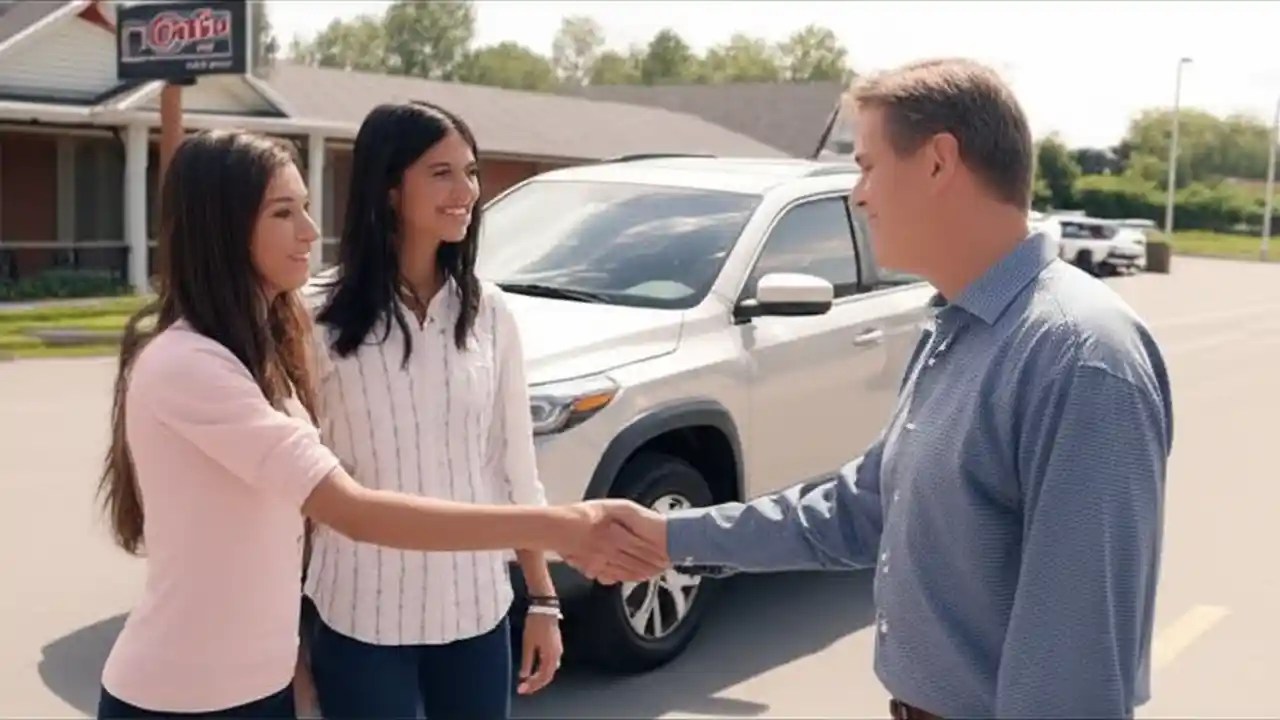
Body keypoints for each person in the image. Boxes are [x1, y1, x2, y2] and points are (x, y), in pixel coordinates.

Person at [573, 58, 1173, 719]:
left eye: (867, 164)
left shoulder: (1080, 357)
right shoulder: (958, 324)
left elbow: (1076, 663)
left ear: (939, 162)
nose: (858, 194)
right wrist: (670, 540)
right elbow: (860, 510)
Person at [94, 130, 658, 719]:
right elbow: (351, 511)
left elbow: (262, 549)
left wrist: (292, 667)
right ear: (222, 226)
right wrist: (569, 526)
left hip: (264, 689)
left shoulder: (259, 351)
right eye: (284, 213)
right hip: (178, 699)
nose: (310, 232)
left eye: (307, 208)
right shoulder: (191, 365)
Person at [297, 101, 557, 720]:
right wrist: (286, 638)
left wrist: (543, 601)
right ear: (389, 187)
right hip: (360, 616)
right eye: (441, 172)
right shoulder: (312, 316)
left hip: (475, 614)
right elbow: (293, 492)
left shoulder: (490, 312)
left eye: (470, 172)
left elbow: (514, 468)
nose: (466, 190)